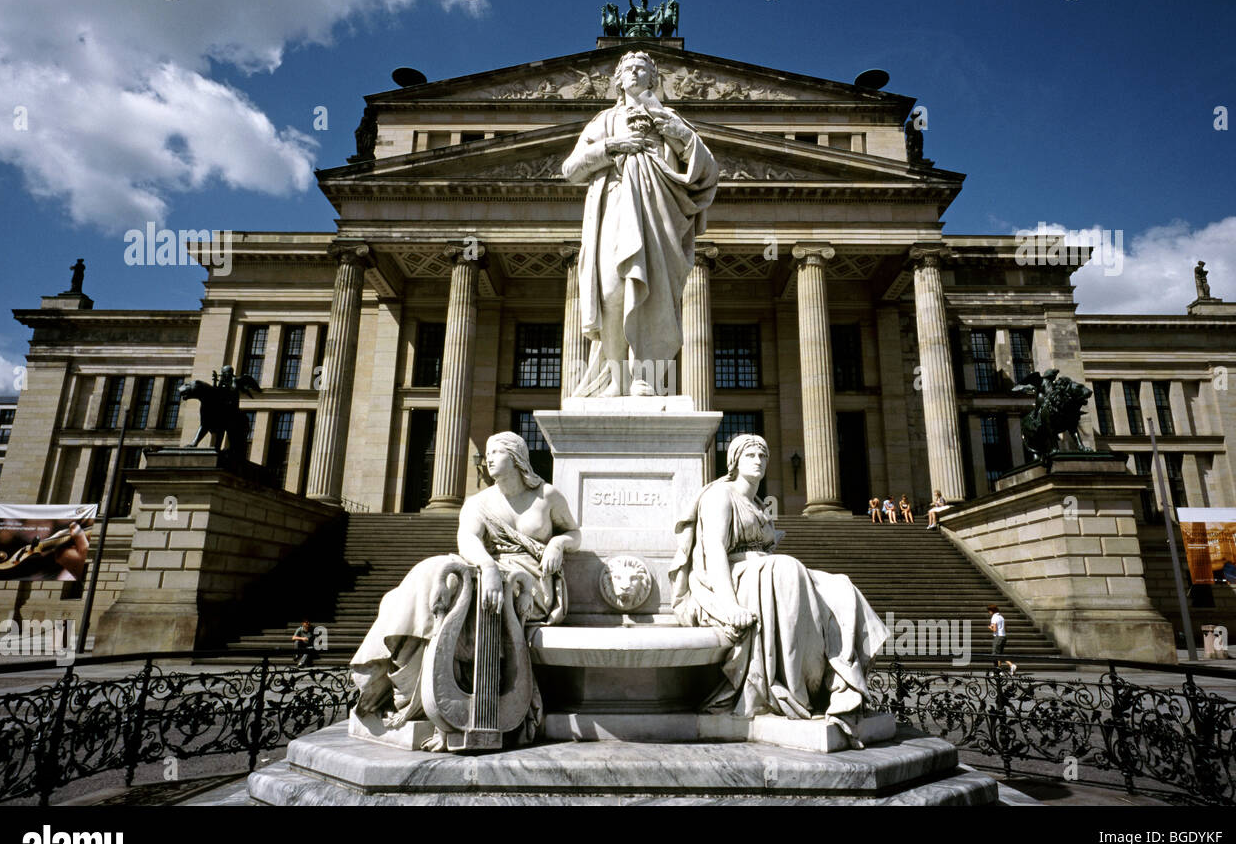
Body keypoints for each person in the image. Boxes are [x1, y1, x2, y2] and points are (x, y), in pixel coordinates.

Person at [350, 432, 581, 745]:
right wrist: (488, 567)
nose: (489, 458)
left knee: (467, 593)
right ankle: (404, 676)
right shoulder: (479, 503)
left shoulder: (547, 496)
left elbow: (574, 533)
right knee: (432, 572)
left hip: (529, 582)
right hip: (488, 568)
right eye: (487, 452)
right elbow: (468, 539)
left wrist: (558, 543)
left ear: (516, 457)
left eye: (496, 452)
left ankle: (443, 696)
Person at [670, 435, 888, 746]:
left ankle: (836, 680)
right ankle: (798, 687)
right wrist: (730, 606)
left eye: (763, 455)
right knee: (786, 567)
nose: (758, 461)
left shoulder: (758, 504)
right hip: (733, 577)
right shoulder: (720, 495)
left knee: (840, 586)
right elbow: (715, 550)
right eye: (750, 455)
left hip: (763, 572)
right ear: (734, 461)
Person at [562, 50, 718, 397]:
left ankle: (643, 376)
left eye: (641, 69)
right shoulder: (604, 121)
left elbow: (708, 170)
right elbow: (570, 170)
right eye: (628, 69)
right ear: (618, 79)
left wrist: (679, 135)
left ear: (653, 79)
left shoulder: (668, 117)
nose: (634, 73)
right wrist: (610, 147)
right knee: (611, 293)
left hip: (659, 214)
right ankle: (618, 380)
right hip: (615, 208)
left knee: (652, 296)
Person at [987, 604, 1017, 674]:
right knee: (1000, 654)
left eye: (989, 611)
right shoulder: (1001, 617)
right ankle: (1000, 671)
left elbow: (994, 629)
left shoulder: (994, 617)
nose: (989, 612)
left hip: (998, 637)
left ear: (991, 611)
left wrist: (990, 628)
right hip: (1003, 636)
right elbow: (1005, 628)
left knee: (995, 655)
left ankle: (999, 670)